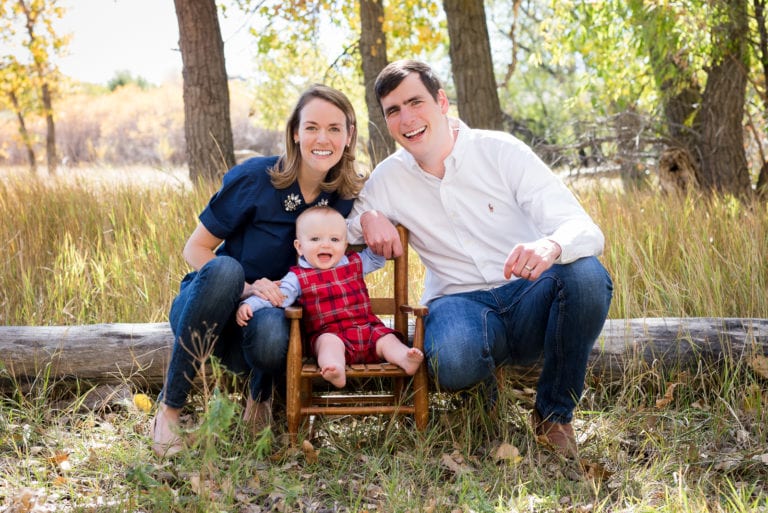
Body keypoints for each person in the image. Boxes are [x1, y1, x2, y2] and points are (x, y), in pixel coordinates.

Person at [347, 60, 613, 459]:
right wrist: (367, 216)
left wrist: (550, 246)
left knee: (588, 277)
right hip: (458, 303)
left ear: (442, 101)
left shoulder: (500, 151)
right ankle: (486, 389)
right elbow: (342, 229)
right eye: (393, 111)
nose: (407, 119)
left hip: (528, 293)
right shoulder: (388, 179)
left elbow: (584, 229)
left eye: (415, 102)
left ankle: (553, 413)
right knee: (452, 359)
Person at [152, 84, 365, 457]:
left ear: (349, 137)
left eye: (335, 128)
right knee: (226, 270)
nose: (323, 138)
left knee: (275, 318)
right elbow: (195, 248)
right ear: (295, 133)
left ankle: (259, 398)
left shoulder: (343, 196)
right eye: (312, 126)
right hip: (210, 309)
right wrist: (247, 288)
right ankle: (170, 409)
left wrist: (375, 216)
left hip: (264, 320)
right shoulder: (256, 177)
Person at [236, 206, 423, 388]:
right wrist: (251, 304)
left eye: (334, 239)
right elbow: (277, 297)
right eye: (315, 239)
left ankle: (404, 358)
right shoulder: (297, 278)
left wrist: (379, 228)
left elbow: (376, 257)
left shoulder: (355, 262)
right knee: (328, 345)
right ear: (299, 247)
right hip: (329, 332)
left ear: (345, 245)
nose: (325, 244)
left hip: (367, 328)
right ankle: (335, 369)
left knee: (388, 340)